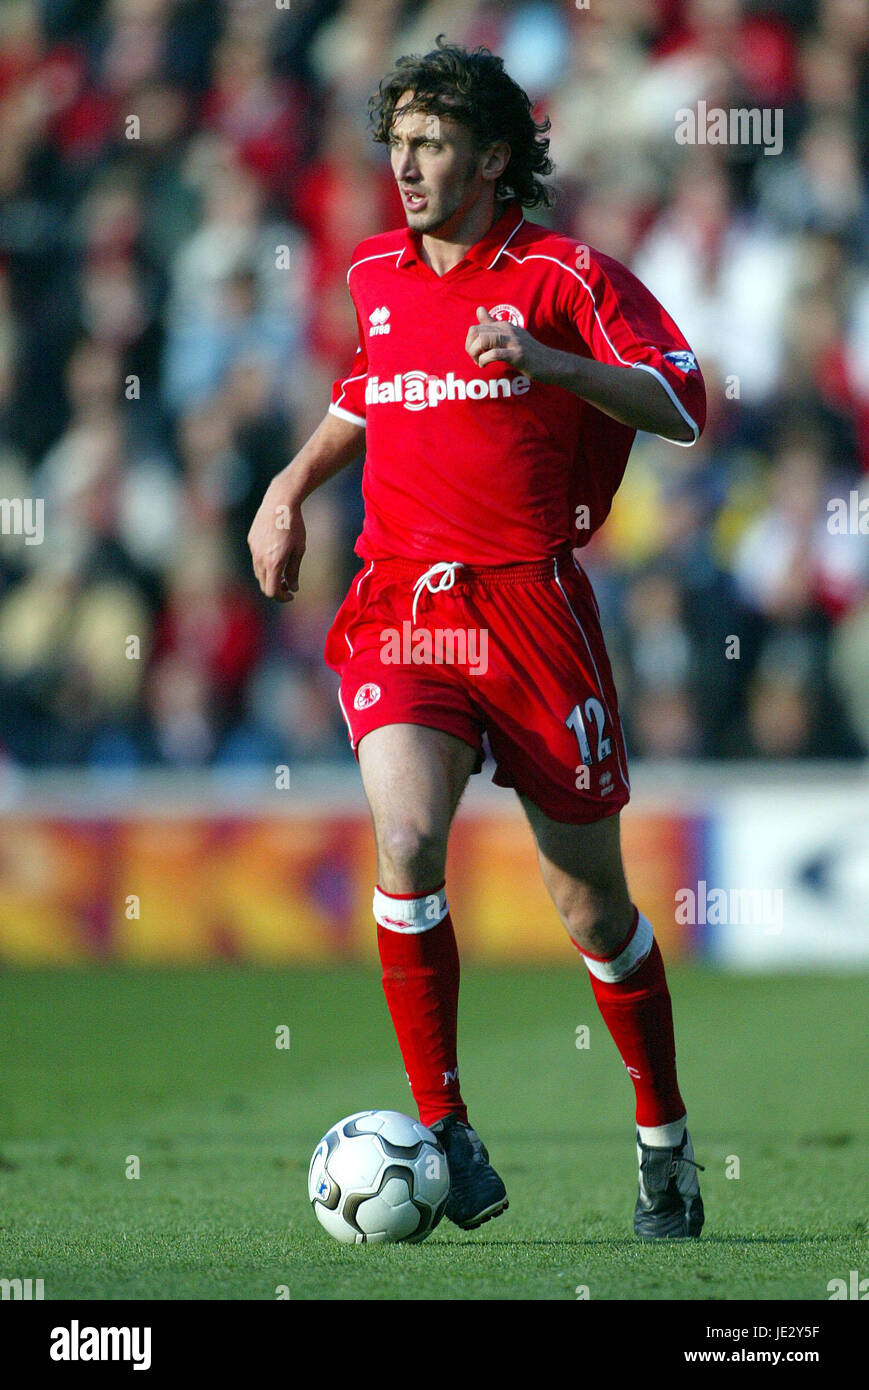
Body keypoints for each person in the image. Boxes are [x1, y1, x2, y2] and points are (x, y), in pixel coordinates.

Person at [248, 38, 706, 1239]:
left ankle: (662, 1141)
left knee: (591, 911)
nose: (403, 166)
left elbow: (680, 403)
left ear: (493, 156)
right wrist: (288, 487)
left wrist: (550, 361)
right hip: (403, 602)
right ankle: (443, 1124)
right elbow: (374, 384)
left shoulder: (562, 274)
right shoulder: (374, 275)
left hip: (533, 612)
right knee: (404, 840)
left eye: (431, 143)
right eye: (394, 143)